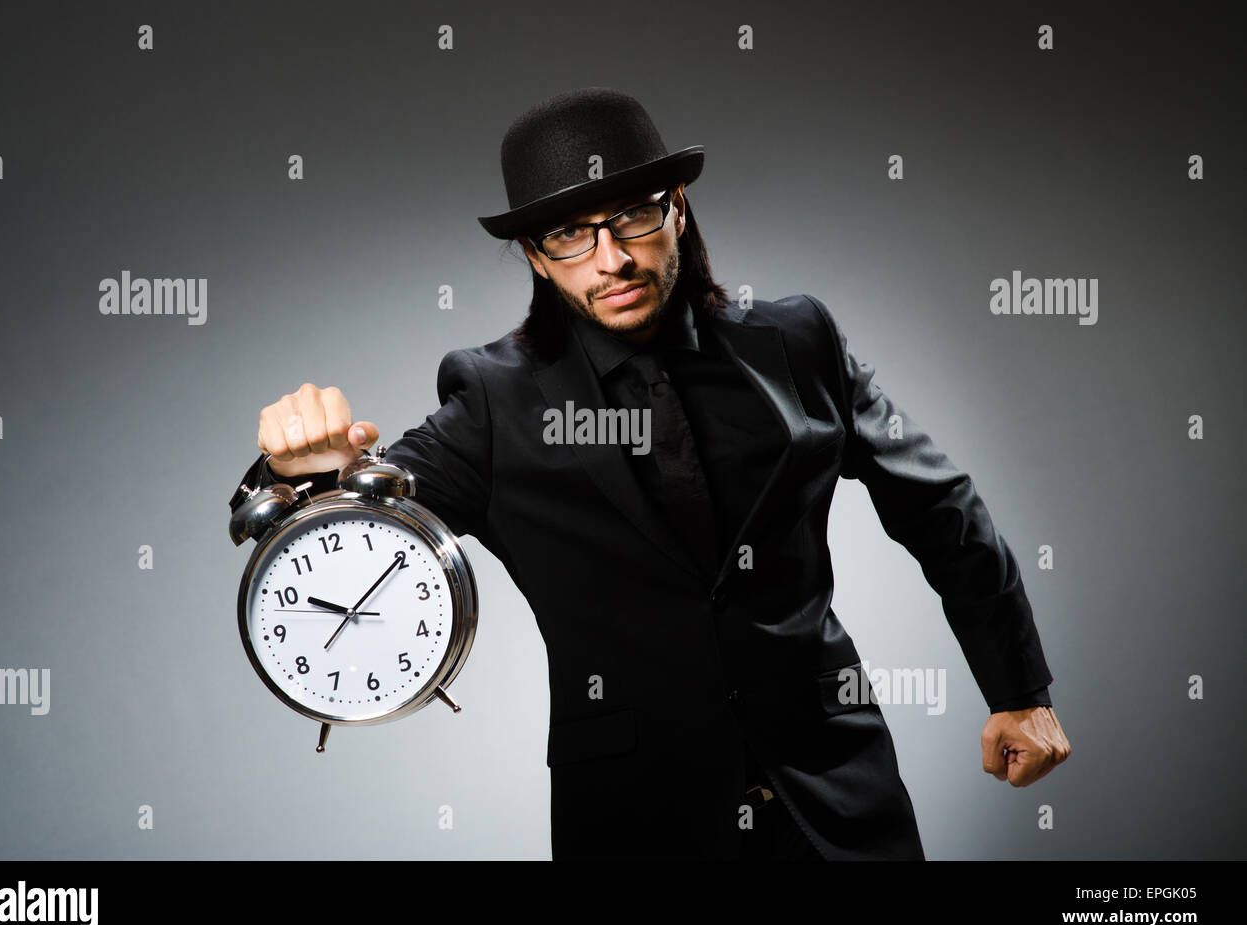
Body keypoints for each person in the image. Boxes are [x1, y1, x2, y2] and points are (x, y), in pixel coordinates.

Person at [228, 87, 1070, 860]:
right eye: (569, 233)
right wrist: (294, 470)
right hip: (636, 825)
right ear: (535, 256)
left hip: (840, 800)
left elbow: (940, 507)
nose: (610, 259)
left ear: (677, 210)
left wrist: (1018, 687)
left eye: (631, 216)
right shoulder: (493, 401)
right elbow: (358, 525)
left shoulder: (797, 341)